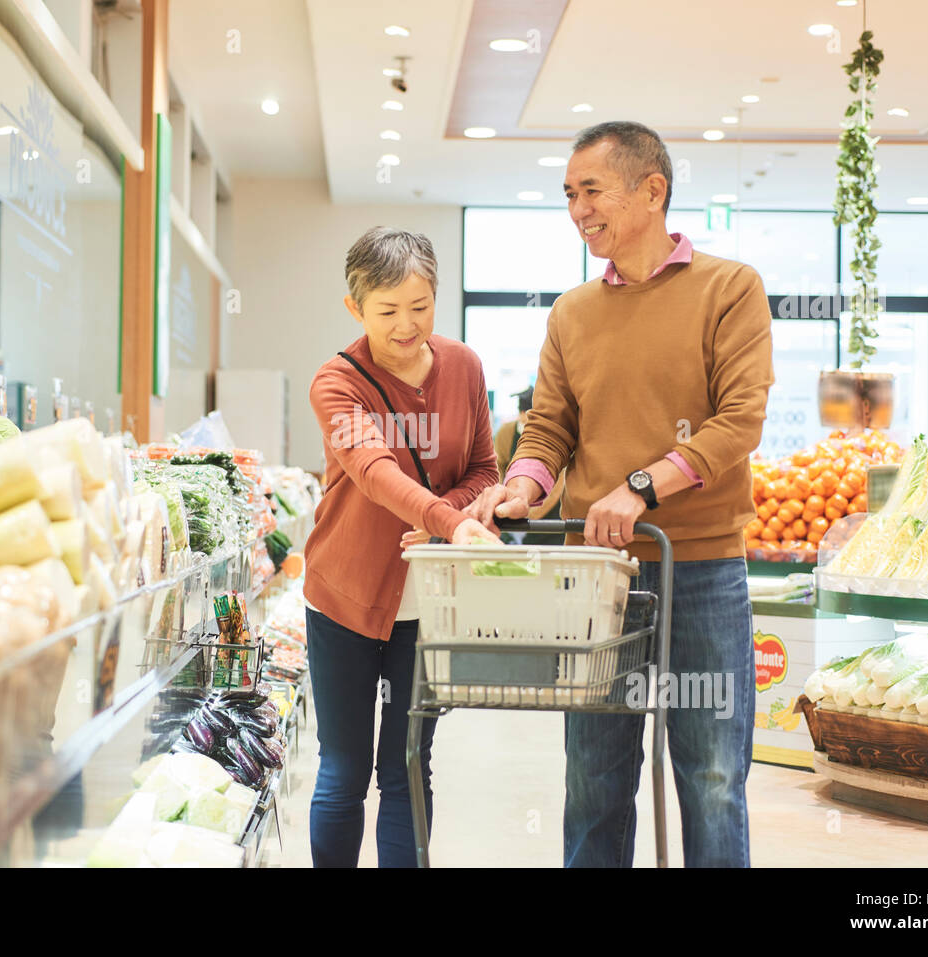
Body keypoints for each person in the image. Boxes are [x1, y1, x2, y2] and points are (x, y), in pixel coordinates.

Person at [467, 121, 774, 868]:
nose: (579, 209)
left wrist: (640, 487)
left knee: (712, 777)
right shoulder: (572, 312)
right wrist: (520, 486)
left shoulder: (730, 289)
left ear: (652, 190)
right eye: (570, 195)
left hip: (700, 571)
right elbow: (548, 429)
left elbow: (739, 421)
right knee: (594, 779)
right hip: (595, 581)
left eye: (592, 190)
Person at [304, 226, 501, 867]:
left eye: (420, 307)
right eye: (387, 311)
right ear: (355, 308)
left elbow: (484, 470)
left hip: (432, 604)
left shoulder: (464, 366)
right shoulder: (337, 383)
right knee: (345, 768)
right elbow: (374, 469)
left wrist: (459, 516)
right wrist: (448, 520)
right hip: (346, 597)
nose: (406, 325)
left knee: (409, 765)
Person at [494, 385, 564, 545]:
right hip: (513, 505)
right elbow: (498, 467)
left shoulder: (552, 432)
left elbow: (559, 481)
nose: (524, 420)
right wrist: (504, 502)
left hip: (549, 514)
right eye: (522, 415)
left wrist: (529, 511)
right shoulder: (507, 432)